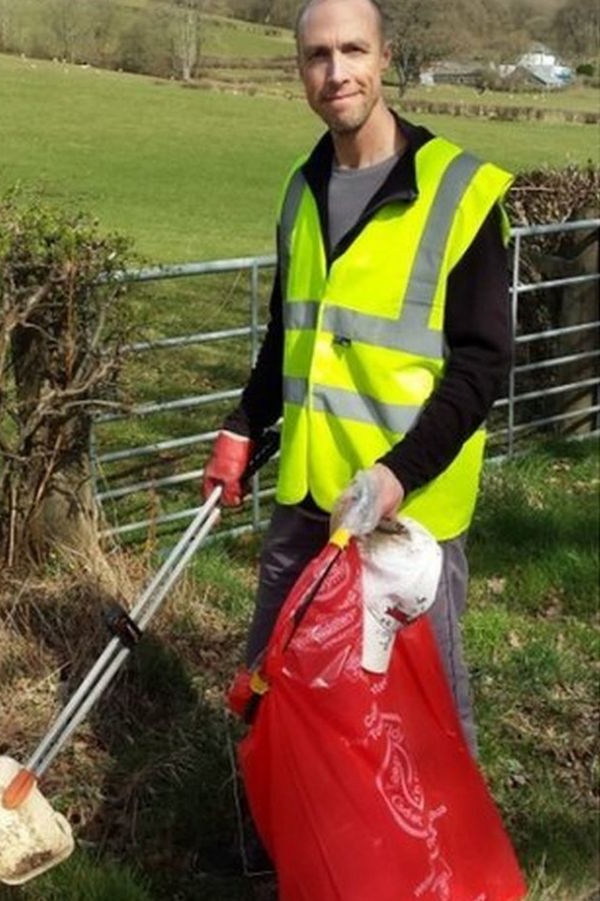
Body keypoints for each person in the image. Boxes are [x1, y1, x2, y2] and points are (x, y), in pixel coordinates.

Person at [202, 0, 513, 755]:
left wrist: (397, 477)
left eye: (352, 51)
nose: (335, 72)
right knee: (272, 682)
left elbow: (482, 362)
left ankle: (447, 871)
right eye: (317, 56)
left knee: (422, 711)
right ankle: (280, 843)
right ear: (299, 69)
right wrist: (244, 423)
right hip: (310, 499)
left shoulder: (461, 191)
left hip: (411, 516)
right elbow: (292, 331)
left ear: (385, 58)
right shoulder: (300, 189)